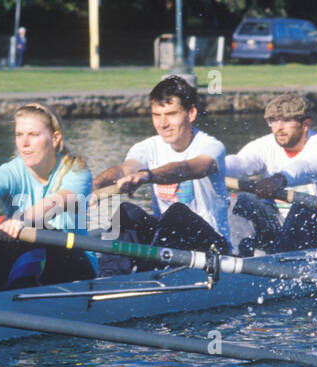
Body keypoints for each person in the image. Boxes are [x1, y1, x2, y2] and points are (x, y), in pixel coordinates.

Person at [0, 102, 95, 294]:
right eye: (19, 135)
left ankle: (18, 298)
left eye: (33, 135)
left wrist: (21, 219)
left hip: (75, 269)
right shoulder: (13, 171)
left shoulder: (77, 172)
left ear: (55, 138)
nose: (24, 143)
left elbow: (56, 203)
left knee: (37, 228)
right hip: (24, 259)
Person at [93, 75, 231, 267]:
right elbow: (124, 169)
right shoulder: (146, 147)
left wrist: (148, 175)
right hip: (168, 242)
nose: (162, 124)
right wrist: (94, 185)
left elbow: (189, 168)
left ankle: (149, 270)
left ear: (190, 114)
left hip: (214, 248)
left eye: (171, 114)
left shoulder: (212, 147)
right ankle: (109, 278)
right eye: (156, 115)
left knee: (177, 213)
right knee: (126, 212)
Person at [225, 92, 317, 254]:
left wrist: (279, 179)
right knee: (242, 200)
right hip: (279, 226)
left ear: (305, 125)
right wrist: (213, 166)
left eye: (286, 120)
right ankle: (236, 259)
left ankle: (278, 263)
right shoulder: (265, 145)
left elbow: (305, 167)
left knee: (305, 206)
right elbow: (240, 162)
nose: (278, 127)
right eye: (273, 121)